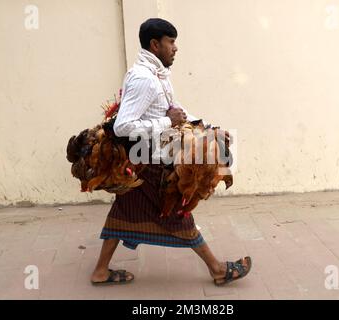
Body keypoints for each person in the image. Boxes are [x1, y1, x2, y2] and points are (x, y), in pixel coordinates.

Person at [91, 18, 251, 286]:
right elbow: (123, 126)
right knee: (178, 213)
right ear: (155, 45)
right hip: (151, 162)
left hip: (144, 161)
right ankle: (217, 269)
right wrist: (168, 122)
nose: (175, 48)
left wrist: (209, 128)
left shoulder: (156, 75)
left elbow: (176, 109)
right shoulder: (145, 80)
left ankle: (100, 271)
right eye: (171, 42)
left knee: (124, 213)